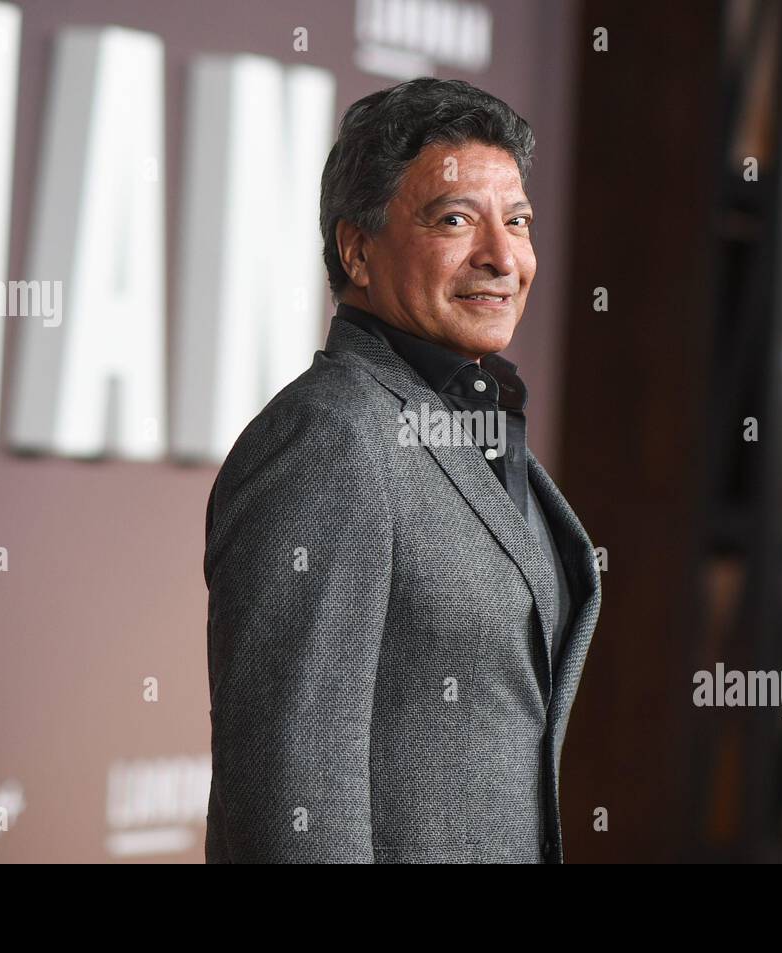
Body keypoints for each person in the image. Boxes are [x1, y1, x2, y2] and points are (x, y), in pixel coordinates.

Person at [204, 77, 601, 863]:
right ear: (357, 249)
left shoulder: (469, 413)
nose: (502, 257)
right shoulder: (328, 438)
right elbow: (292, 808)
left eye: (516, 222)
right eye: (456, 220)